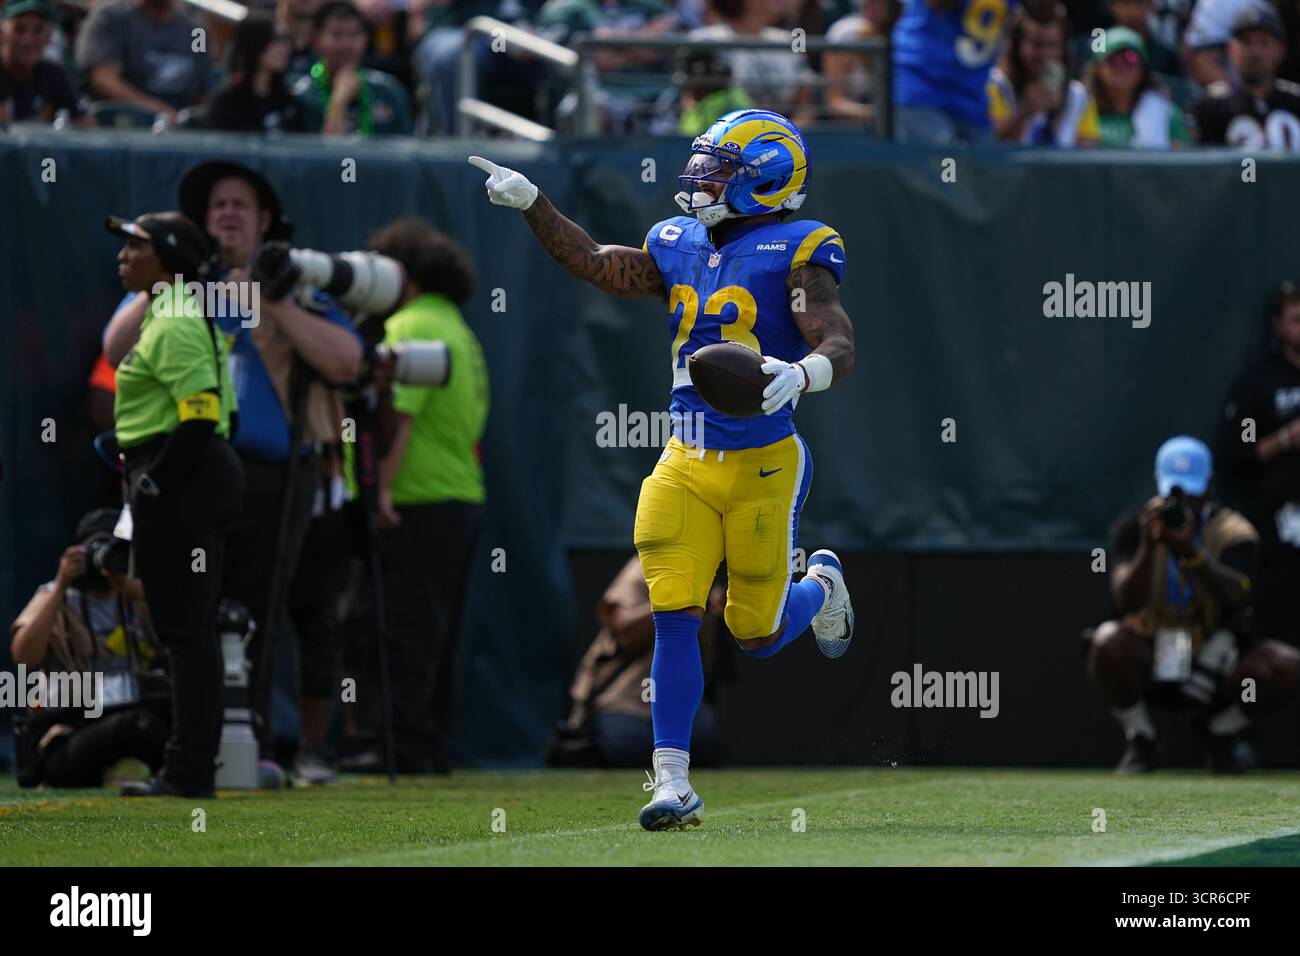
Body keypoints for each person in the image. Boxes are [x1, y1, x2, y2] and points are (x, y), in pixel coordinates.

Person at [469, 108, 856, 831]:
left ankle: (821, 582)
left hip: (763, 461)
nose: (702, 176)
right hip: (682, 460)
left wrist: (802, 374)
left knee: (756, 633)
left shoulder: (803, 247)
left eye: (722, 166)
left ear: (766, 178)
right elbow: (597, 262)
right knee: (673, 618)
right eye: (704, 161)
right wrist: (534, 204)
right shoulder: (676, 241)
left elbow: (836, 338)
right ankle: (671, 783)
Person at [102, 162, 363, 782]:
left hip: (275, 474)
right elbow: (115, 348)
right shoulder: (174, 292)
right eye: (215, 205)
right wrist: (192, 281)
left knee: (263, 614)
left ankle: (258, 749)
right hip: (194, 466)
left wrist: (268, 298)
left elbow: (348, 360)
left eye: (240, 204)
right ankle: (199, 752)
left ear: (264, 220)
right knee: (191, 616)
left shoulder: (291, 284)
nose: (227, 213)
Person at [106, 211, 243, 797]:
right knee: (184, 629)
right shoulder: (171, 313)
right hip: (181, 474)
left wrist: (153, 482)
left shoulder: (178, 318)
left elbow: (204, 414)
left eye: (135, 246)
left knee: (186, 631)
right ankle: (186, 766)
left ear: (165, 257)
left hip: (183, 476)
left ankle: (188, 771)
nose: (123, 256)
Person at [1087, 436, 1300, 773]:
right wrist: (1149, 546)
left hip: (1214, 659)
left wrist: (1191, 553)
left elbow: (1239, 592)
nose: (1183, 499)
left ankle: (1219, 732)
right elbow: (1125, 600)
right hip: (1153, 648)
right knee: (1106, 642)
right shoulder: (1136, 528)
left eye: (1192, 489)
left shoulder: (1235, 532)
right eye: (1175, 491)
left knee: (1286, 665)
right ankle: (1141, 738)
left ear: (1210, 484)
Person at [360, 215, 488, 774]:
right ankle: (425, 745)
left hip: (417, 499)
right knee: (434, 631)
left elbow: (402, 420)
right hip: (459, 498)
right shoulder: (458, 328)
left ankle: (402, 747)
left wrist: (381, 490)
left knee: (405, 632)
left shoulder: (409, 327)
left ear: (402, 275)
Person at [9, 509, 167, 788]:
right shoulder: (54, 596)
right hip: (75, 727)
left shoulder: (136, 596)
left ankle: (130, 773)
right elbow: (24, 656)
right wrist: (60, 586)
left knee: (148, 723)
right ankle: (123, 773)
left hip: (136, 714)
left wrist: (130, 586)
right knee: (129, 727)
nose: (102, 561)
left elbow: (180, 640)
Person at [549, 556, 721, 768]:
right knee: (626, 744)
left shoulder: (712, 571)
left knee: (702, 739)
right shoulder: (649, 563)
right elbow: (621, 626)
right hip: (623, 701)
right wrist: (676, 600)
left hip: (680, 701)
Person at [1218, 281, 1300, 649]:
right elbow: (1237, 453)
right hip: (1284, 522)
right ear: (1279, 326)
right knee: (1278, 625)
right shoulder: (1261, 382)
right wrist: (1286, 439)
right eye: (1297, 319)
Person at [892, 0, 1041, 144]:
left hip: (973, 98)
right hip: (923, 88)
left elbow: (1043, 12)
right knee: (945, 167)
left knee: (985, 167)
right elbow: (937, 3)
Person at [74, 0, 213, 123]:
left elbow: (203, 93)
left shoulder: (197, 31)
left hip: (181, 128)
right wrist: (154, 109)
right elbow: (103, 80)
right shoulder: (112, 17)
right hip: (126, 125)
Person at [291, 0, 412, 136]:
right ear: (316, 40)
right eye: (337, 35)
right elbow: (321, 155)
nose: (346, 44)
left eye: (354, 34)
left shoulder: (388, 90)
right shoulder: (301, 94)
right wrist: (339, 102)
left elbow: (407, 150)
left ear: (366, 39)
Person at [1189, 3, 1300, 149]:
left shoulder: (1296, 102)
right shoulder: (1210, 108)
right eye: (1246, 42)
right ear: (1230, 48)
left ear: (1280, 51)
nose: (1254, 52)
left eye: (1264, 43)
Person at [988, 5, 1093, 145]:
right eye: (1036, 45)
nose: (1043, 54)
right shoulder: (996, 86)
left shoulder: (1078, 97)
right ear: (1017, 46)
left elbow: (1089, 157)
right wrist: (1024, 113)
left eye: (1051, 45)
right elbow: (990, 151)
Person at [1076, 26, 1189, 146]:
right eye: (1112, 59)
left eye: (1130, 58)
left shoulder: (1168, 114)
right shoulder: (1079, 112)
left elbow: (1181, 157)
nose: (1122, 66)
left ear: (1143, 68)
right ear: (1097, 68)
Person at [205, 11, 306, 133]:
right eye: (276, 39)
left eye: (287, 39)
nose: (285, 47)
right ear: (254, 42)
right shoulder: (226, 104)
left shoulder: (287, 102)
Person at [0, 0, 88, 126]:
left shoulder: (55, 74)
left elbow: (84, 122)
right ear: (2, 33)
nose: (27, 41)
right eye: (19, 29)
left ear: (49, 37)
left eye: (38, 30)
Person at [822, 0, 900, 127]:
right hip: (853, 129)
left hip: (898, 123)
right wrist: (877, 114)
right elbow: (835, 103)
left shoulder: (908, 37)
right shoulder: (844, 33)